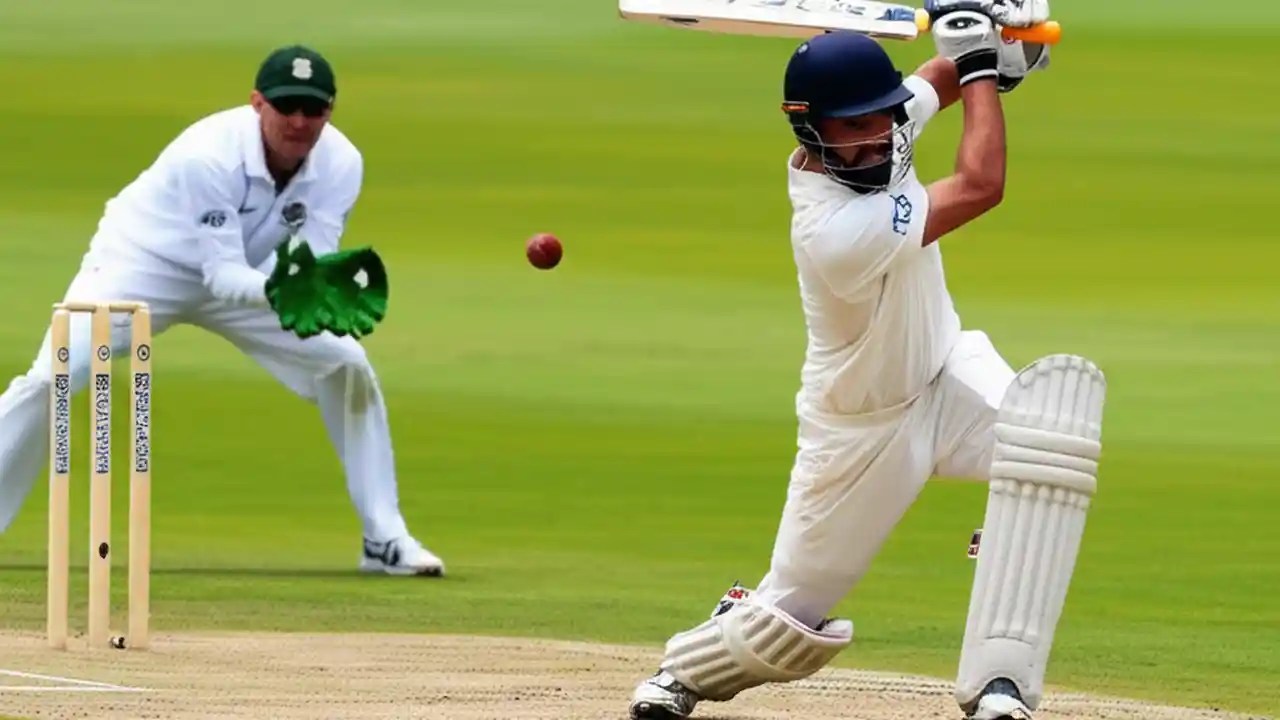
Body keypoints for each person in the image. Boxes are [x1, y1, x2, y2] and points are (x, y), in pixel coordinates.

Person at [628, 1, 1108, 719]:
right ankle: (688, 665)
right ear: (810, 132)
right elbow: (981, 185)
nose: (876, 138)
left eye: (883, 117)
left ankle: (1000, 686)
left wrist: (997, 42)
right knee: (790, 618)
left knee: (1049, 440)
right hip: (861, 430)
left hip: (947, 373)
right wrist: (981, 63)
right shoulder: (831, 229)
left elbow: (942, 79)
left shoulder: (879, 125)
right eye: (853, 126)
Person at [0, 44, 445, 577]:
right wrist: (298, 292)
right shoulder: (209, 154)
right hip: (144, 263)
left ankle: (384, 539)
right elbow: (222, 276)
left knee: (346, 365)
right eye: (286, 107)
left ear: (330, 109)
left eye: (314, 109)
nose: (300, 122)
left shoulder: (342, 163)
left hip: (250, 278)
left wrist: (322, 294)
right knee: (56, 374)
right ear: (257, 103)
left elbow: (310, 261)